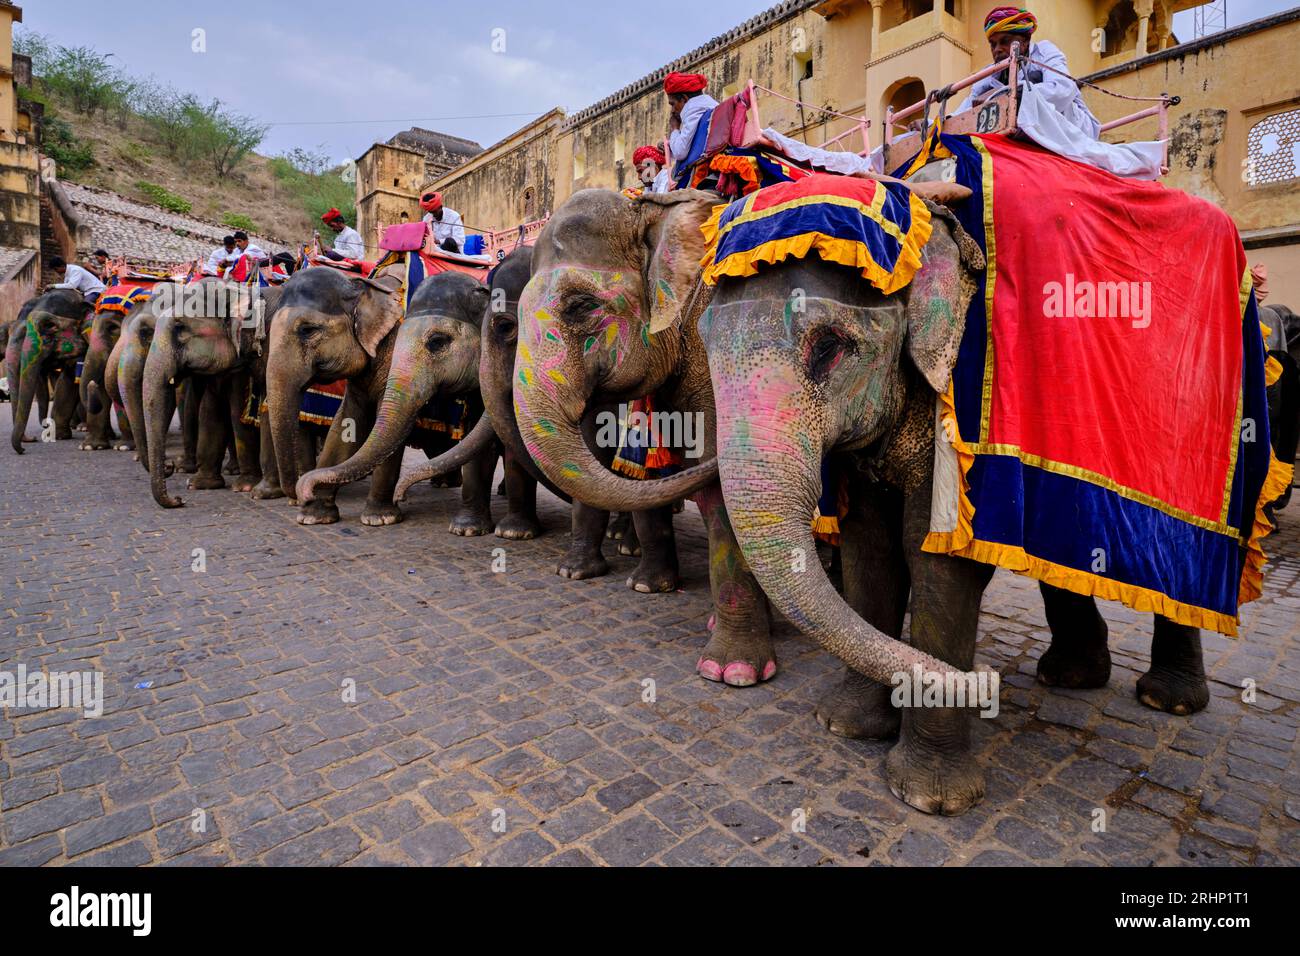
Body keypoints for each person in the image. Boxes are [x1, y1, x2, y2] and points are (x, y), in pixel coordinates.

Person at [954, 5, 1164, 178]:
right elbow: (962, 110)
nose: (997, 49)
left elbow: (1064, 90)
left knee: (1023, 96)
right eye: (993, 44)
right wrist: (934, 124)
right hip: (1026, 129)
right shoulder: (991, 73)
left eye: (1005, 41)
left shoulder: (1044, 51)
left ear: (1025, 41)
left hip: (1070, 121)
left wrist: (1020, 95)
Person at [665, 72, 718, 164]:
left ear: (684, 99)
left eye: (673, 104)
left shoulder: (693, 109)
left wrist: (675, 129)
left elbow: (680, 152)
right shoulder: (711, 105)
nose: (673, 110)